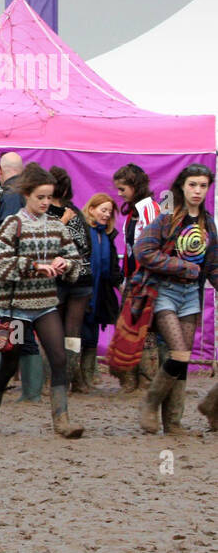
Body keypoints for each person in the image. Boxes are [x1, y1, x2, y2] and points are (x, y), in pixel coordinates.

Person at [0, 163, 84, 438]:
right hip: (15, 309)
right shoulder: (13, 224)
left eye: (50, 197)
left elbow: (76, 263)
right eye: (41, 197)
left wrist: (65, 263)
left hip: (45, 304)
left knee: (59, 359)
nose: (47, 202)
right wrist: (34, 266)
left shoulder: (57, 227)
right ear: (27, 195)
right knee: (9, 365)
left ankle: (62, 421)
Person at [132, 164, 218, 434]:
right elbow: (143, 250)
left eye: (203, 186)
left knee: (182, 357)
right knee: (178, 353)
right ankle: (150, 401)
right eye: (193, 184)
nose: (197, 191)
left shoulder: (208, 223)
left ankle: (173, 422)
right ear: (182, 186)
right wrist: (181, 266)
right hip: (164, 292)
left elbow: (213, 265)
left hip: (191, 295)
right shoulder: (167, 218)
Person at [0, 151, 44, 401]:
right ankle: (31, 393)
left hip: (6, 274)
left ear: (0, 172)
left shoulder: (11, 195)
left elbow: (8, 235)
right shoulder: (28, 195)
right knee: (21, 329)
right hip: (27, 273)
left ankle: (1, 378)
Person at [111, 163, 162, 391]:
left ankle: (146, 380)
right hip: (133, 278)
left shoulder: (149, 208)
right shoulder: (133, 211)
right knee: (128, 327)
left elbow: (154, 246)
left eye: (123, 189)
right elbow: (130, 247)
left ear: (135, 185)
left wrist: (145, 277)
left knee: (146, 328)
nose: (119, 194)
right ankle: (130, 379)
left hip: (146, 279)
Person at [47, 167, 94, 393]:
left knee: (52, 329)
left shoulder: (44, 213)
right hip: (82, 276)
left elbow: (45, 244)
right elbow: (85, 245)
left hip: (57, 277)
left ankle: (56, 380)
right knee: (73, 329)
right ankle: (76, 380)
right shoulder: (74, 211)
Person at [81, 193, 122, 391]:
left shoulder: (107, 236)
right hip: (83, 291)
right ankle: (76, 377)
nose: (106, 215)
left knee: (92, 334)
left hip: (101, 294)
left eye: (109, 211)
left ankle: (88, 375)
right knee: (78, 332)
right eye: (102, 210)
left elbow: (112, 268)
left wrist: (122, 285)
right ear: (91, 209)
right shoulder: (83, 231)